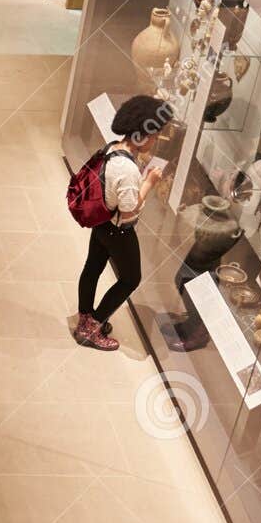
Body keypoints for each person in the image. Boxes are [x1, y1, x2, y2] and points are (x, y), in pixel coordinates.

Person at [74, 94, 169, 351]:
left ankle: (85, 316)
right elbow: (128, 210)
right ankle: (92, 327)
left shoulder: (113, 147)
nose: (157, 139)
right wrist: (149, 183)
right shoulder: (127, 170)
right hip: (118, 229)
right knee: (130, 278)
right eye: (156, 134)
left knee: (93, 267)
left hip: (101, 222)